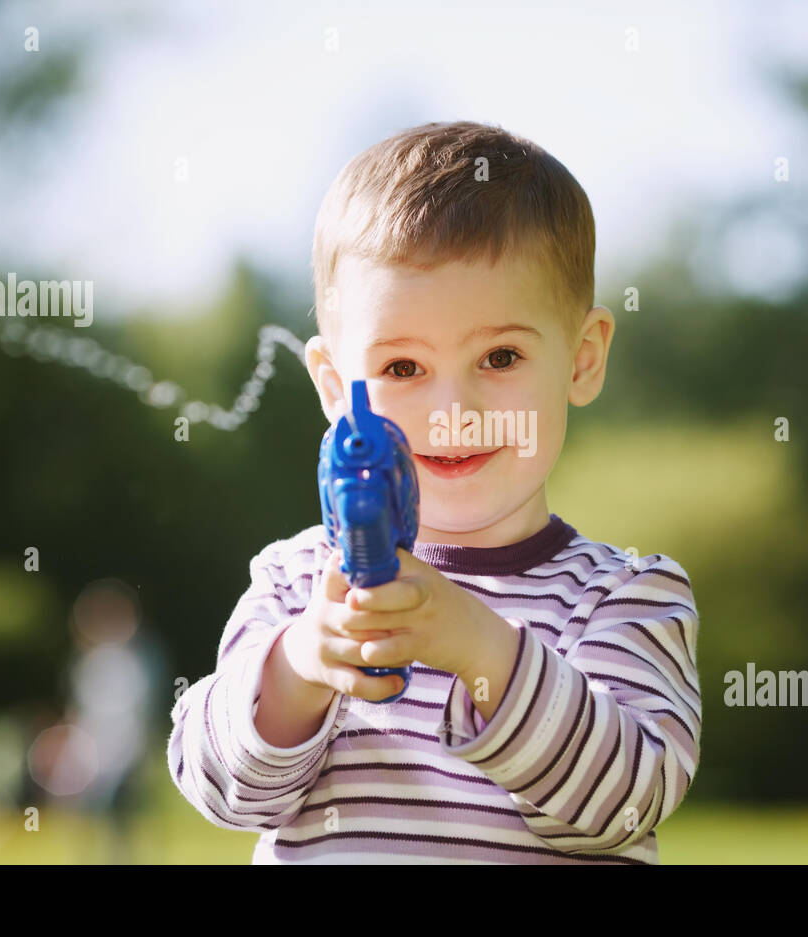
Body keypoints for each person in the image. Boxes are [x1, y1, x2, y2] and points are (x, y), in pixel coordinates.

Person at [167, 120, 702, 863]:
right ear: (332, 384)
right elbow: (221, 788)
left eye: (500, 355)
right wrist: (297, 668)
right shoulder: (297, 584)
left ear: (582, 359)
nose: (455, 410)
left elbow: (625, 801)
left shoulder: (624, 596)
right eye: (403, 368)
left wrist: (478, 646)